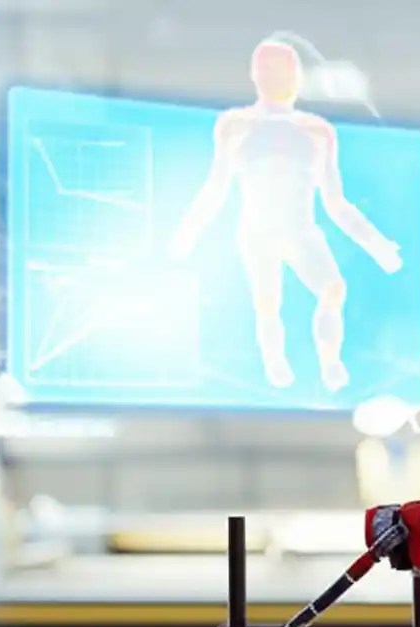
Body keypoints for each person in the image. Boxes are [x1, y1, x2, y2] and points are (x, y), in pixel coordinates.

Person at [172, 39, 402, 392]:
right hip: (258, 231)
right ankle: (275, 362)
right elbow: (216, 188)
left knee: (333, 288)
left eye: (286, 70)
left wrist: (377, 244)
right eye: (271, 70)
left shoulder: (317, 131)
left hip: (300, 230)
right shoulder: (236, 125)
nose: (279, 77)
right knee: (267, 302)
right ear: (256, 75)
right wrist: (187, 233)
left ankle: (329, 362)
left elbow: (335, 202)